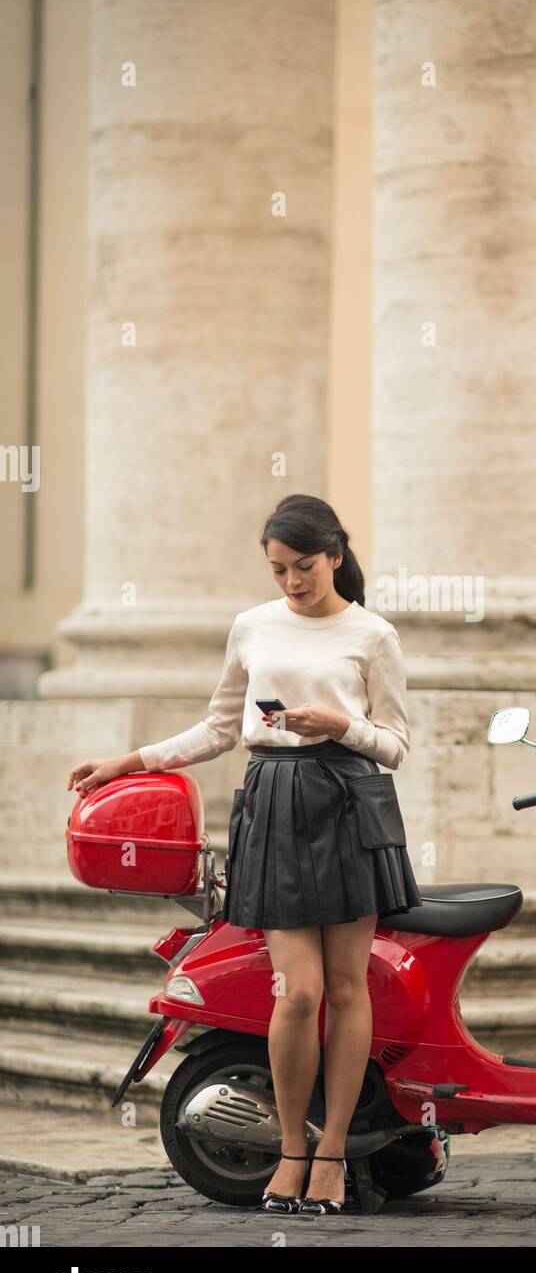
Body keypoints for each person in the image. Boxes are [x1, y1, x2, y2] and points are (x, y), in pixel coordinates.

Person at [66, 493, 423, 1217]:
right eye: (278, 570)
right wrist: (128, 761)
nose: (291, 582)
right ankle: (291, 1147)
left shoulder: (372, 634)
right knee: (296, 993)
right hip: (274, 804)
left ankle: (331, 1159)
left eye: (303, 567)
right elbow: (220, 727)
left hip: (351, 801)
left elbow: (397, 745)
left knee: (348, 988)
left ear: (334, 554)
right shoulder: (251, 626)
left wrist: (340, 723)